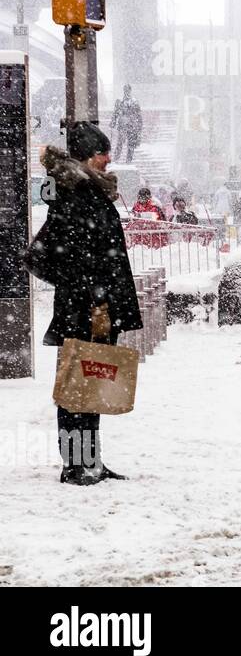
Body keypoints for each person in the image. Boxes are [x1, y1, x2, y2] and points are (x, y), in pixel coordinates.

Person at [23, 123, 142, 485]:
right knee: (77, 387)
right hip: (87, 308)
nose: (109, 159)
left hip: (96, 306)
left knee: (92, 382)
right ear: (90, 155)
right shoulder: (77, 193)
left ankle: (91, 461)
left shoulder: (90, 190)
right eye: (104, 152)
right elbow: (41, 255)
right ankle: (75, 465)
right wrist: (86, 289)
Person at [109, 84, 143, 163]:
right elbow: (115, 112)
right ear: (123, 90)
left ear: (130, 91)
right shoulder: (119, 101)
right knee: (120, 143)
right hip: (122, 125)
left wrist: (139, 127)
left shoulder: (135, 102)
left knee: (131, 145)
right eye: (125, 90)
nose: (126, 91)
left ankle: (128, 161)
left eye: (128, 90)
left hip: (132, 126)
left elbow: (139, 115)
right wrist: (113, 122)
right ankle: (116, 159)